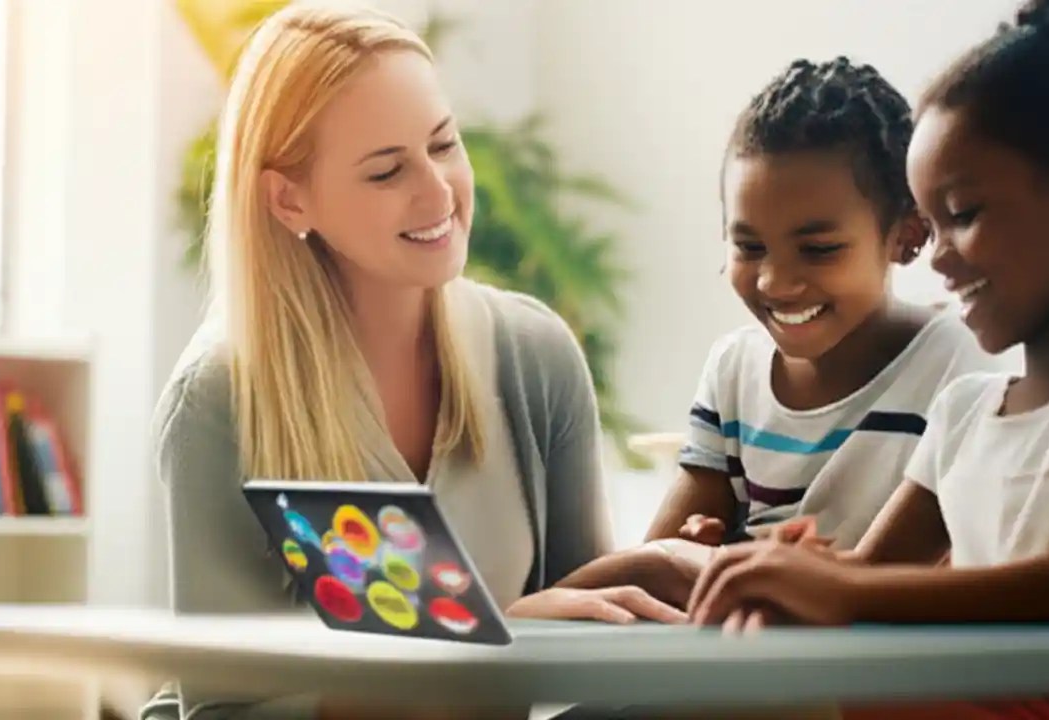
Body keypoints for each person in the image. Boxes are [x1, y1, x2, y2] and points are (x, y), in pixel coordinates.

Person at [145, 3, 681, 719]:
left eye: (444, 144)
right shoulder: (219, 400)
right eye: (386, 171)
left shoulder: (535, 355)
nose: (438, 191)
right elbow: (223, 712)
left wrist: (671, 570)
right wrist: (491, 648)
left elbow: (584, 641)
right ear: (288, 199)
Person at [690, 0, 1049, 717]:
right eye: (931, 224)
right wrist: (791, 574)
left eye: (963, 215)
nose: (938, 258)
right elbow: (867, 579)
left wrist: (844, 589)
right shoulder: (963, 412)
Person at [556, 57, 1000, 609]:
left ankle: (510, 622)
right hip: (749, 639)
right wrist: (704, 544)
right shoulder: (734, 370)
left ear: (906, 237)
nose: (774, 281)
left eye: (818, 250)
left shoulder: (958, 365)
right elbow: (663, 560)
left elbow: (934, 571)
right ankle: (515, 621)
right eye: (749, 246)